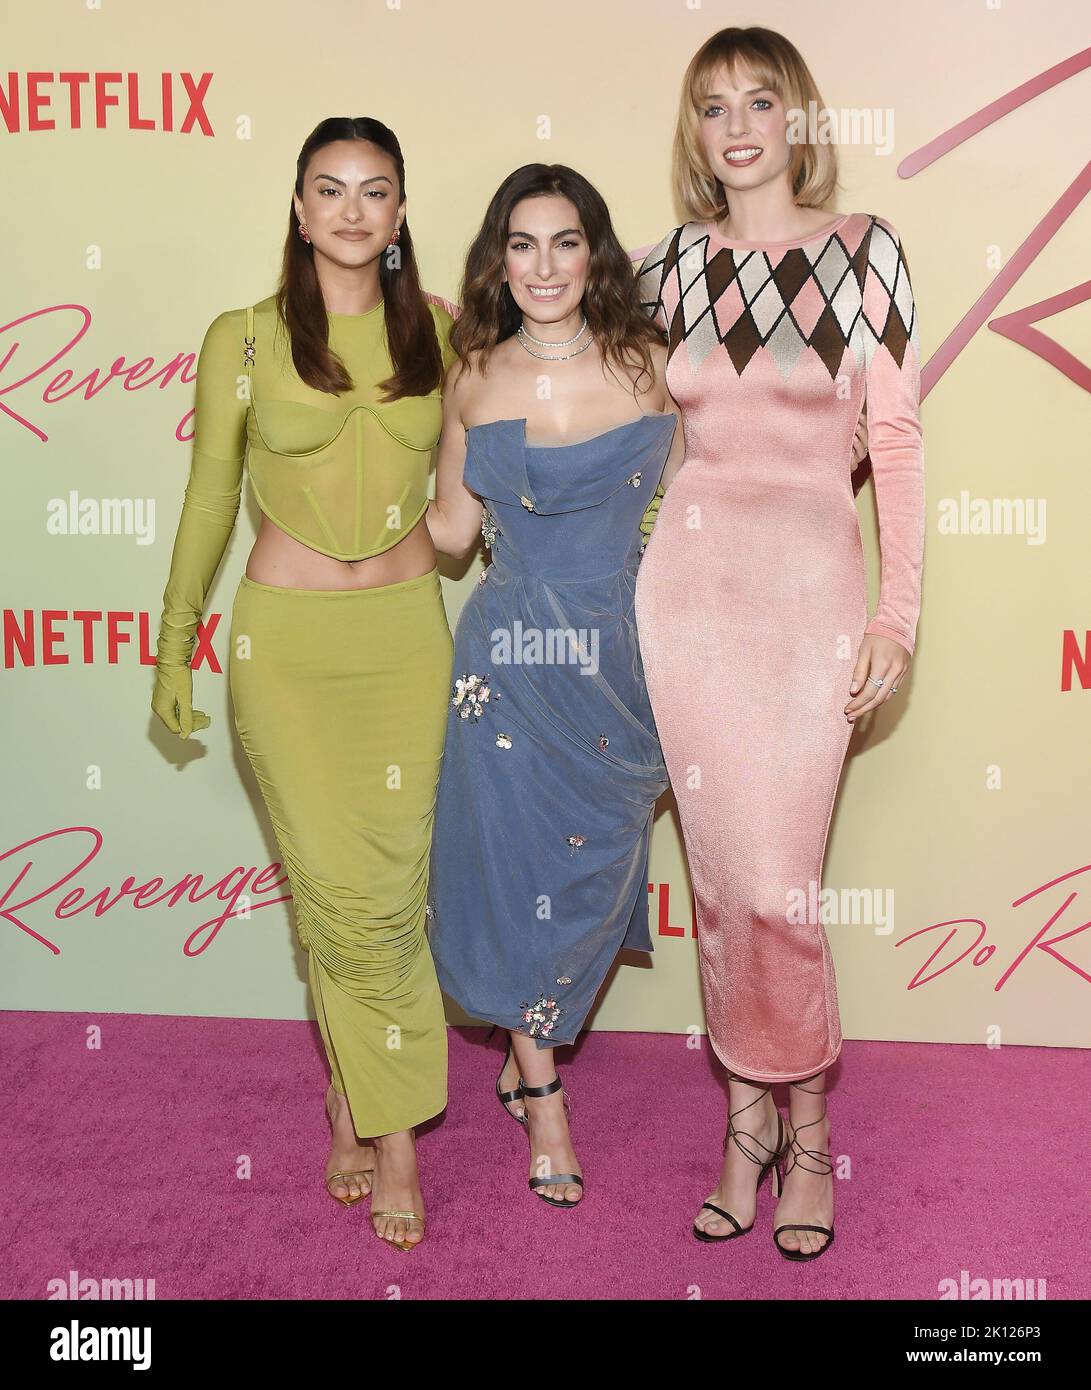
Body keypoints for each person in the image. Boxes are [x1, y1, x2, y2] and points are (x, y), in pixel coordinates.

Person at [634, 27, 924, 1260]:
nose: (737, 125)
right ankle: (745, 1122)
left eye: (760, 100)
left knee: (776, 884)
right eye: (713, 106)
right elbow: (639, 436)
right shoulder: (665, 268)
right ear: (693, 132)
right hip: (687, 597)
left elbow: (893, 444)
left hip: (808, 594)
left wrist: (895, 615)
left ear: (796, 116)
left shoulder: (864, 251)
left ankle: (806, 1131)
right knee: (717, 881)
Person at [151, 116, 458, 1252]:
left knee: (384, 899)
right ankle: (393, 1135)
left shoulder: (440, 331)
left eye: (375, 190)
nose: (351, 210)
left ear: (399, 211)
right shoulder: (241, 337)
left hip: (406, 644)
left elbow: (494, 468)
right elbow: (208, 497)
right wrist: (173, 639)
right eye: (329, 189)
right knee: (338, 895)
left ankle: (350, 1094)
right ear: (297, 206)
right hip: (283, 654)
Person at [423, 164, 682, 1208]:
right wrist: (341, 516)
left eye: (564, 242)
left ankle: (527, 1037)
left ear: (593, 254)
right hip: (507, 662)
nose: (543, 266)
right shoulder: (471, 375)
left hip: (619, 656)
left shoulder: (653, 365)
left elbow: (704, 503)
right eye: (521, 244)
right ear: (498, 260)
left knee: (594, 870)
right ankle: (542, 1097)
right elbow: (450, 532)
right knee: (509, 865)